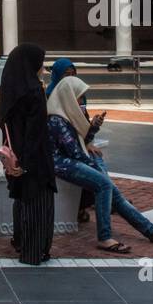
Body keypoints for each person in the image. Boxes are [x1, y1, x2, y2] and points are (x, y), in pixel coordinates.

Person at [46, 76, 153, 253]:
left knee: (112, 191)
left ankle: (151, 231)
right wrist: (98, 171)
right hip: (61, 164)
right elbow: (75, 151)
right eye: (78, 97)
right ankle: (104, 237)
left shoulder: (68, 115)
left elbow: (82, 143)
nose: (81, 101)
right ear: (68, 97)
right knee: (104, 184)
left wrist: (93, 128)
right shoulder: (57, 120)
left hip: (73, 160)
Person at [0, 43, 56, 265]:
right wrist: (28, 164)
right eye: (40, 63)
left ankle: (21, 244)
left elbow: (3, 126)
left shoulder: (8, 91)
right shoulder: (34, 92)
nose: (42, 67)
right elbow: (36, 132)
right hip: (34, 160)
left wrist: (16, 162)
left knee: (21, 201)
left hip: (13, 157)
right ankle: (35, 251)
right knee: (39, 203)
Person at [45, 57, 104, 222]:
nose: (71, 78)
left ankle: (110, 199)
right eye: (66, 74)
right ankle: (101, 201)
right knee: (92, 168)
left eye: (73, 74)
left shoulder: (80, 97)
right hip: (64, 149)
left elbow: (83, 117)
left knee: (99, 162)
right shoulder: (49, 96)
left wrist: (91, 128)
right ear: (57, 76)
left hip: (79, 141)